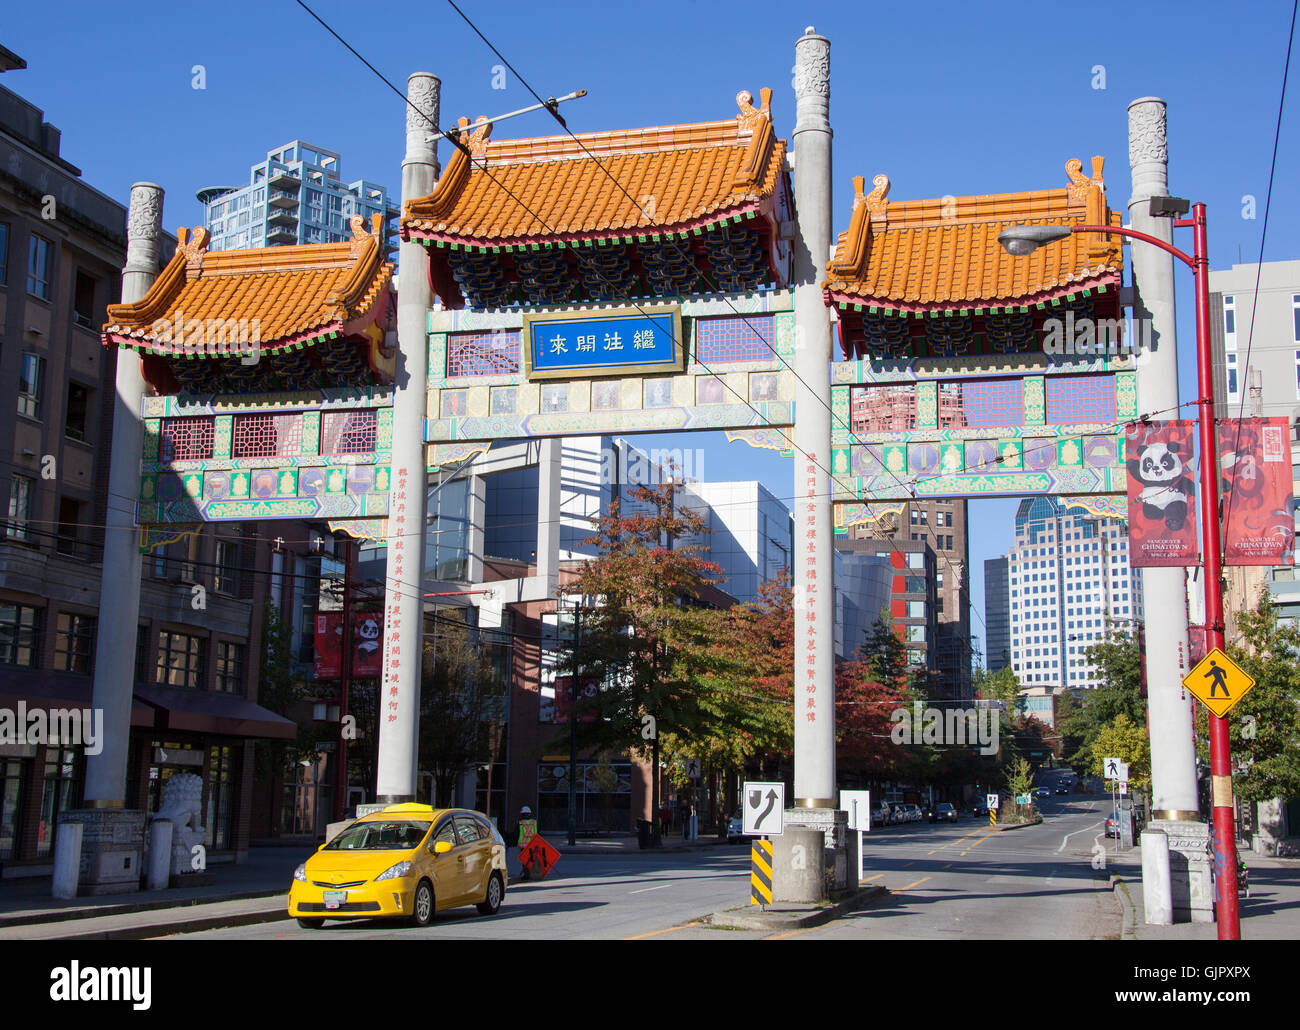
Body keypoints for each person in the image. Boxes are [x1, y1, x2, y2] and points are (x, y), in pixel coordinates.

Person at [511, 805, 539, 881]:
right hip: (532, 844)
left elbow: (516, 834)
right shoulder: (534, 822)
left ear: (522, 814)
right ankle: (534, 874)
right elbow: (537, 834)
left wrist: (513, 843)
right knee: (532, 860)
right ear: (529, 814)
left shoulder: (520, 823)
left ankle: (527, 875)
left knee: (525, 861)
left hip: (523, 845)